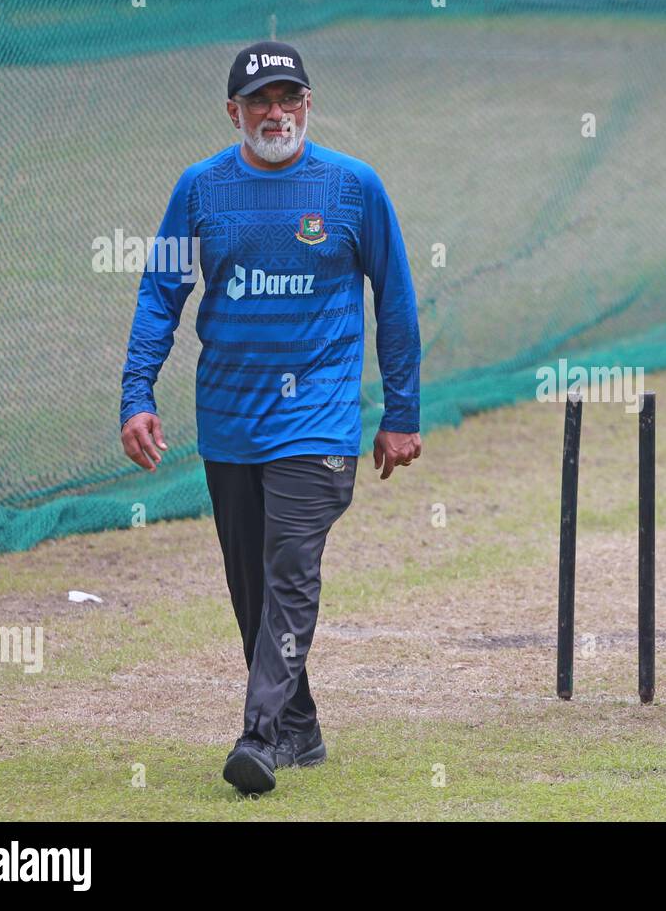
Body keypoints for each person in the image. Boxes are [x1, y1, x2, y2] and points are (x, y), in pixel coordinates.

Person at [119, 41, 422, 792]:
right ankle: (303, 727)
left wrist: (401, 410)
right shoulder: (200, 189)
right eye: (260, 101)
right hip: (228, 422)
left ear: (309, 105)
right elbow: (161, 293)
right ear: (234, 112)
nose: (276, 113)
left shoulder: (352, 187)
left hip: (317, 422)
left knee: (290, 571)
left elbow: (398, 298)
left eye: (289, 98)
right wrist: (137, 395)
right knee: (253, 590)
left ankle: (259, 737)